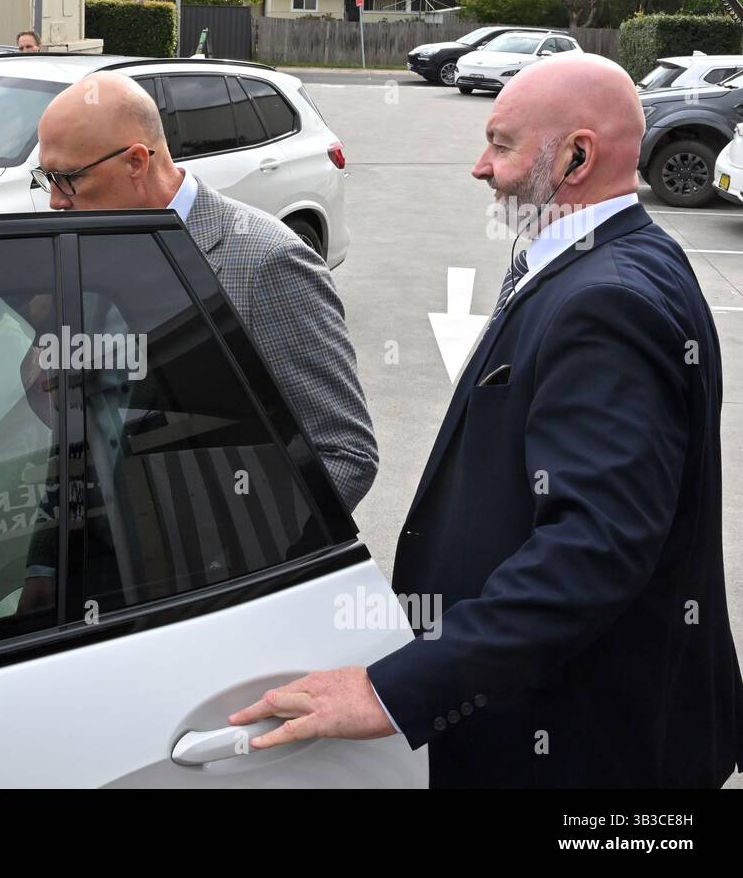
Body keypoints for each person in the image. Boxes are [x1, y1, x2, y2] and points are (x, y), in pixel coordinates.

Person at [229, 53, 743, 788]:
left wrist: (394, 690)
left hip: (577, 742)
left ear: (576, 155)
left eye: (501, 144)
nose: (479, 167)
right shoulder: (623, 254)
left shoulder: (607, 301)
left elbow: (591, 551)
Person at [33, 72, 377, 511]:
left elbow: (344, 454)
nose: (55, 200)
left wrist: (227, 555)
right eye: (47, 177)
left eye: (66, 178)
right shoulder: (89, 252)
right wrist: (45, 558)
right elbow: (81, 428)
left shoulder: (266, 262)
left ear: (136, 162)